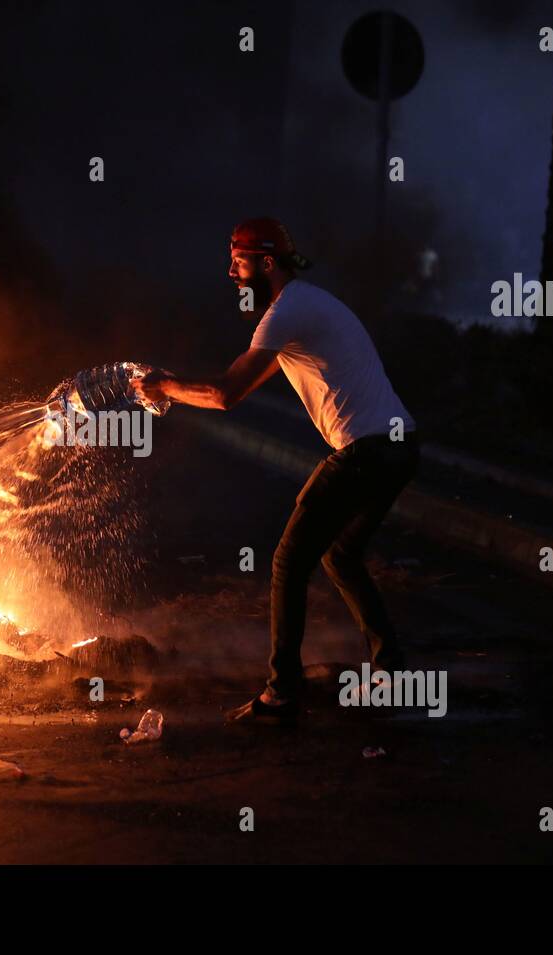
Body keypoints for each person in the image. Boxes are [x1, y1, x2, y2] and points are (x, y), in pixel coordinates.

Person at [134, 217, 418, 724]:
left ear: (267, 263)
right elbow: (240, 385)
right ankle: (391, 670)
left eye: (239, 262)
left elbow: (225, 394)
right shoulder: (303, 307)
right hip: (399, 445)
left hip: (369, 448)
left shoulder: (286, 311)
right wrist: (176, 388)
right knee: (341, 556)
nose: (231, 273)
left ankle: (282, 692)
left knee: (289, 561)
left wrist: (165, 387)